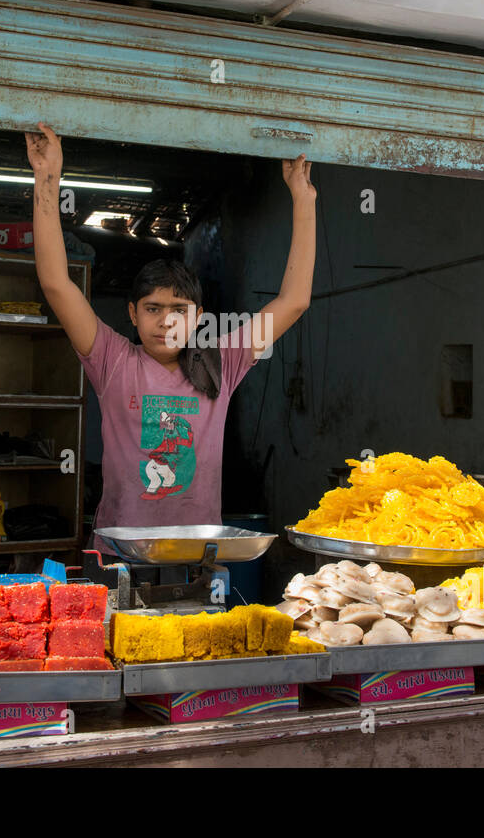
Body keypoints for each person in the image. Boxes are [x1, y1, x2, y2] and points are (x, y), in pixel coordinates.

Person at [25, 123, 316, 538]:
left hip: (197, 554)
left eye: (179, 309)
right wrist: (47, 178)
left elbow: (294, 301)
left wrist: (303, 202)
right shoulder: (112, 360)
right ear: (133, 313)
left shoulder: (222, 361)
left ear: (199, 318)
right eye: (153, 309)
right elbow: (56, 282)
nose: (166, 321)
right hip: (121, 554)